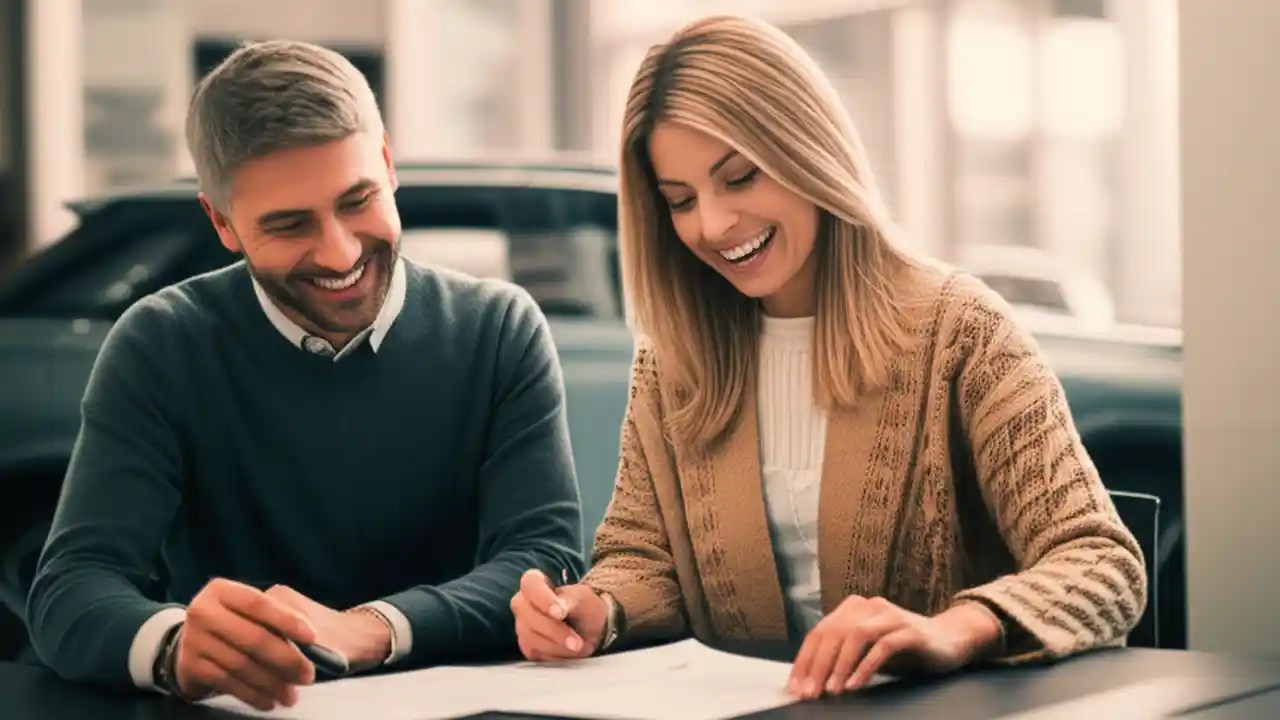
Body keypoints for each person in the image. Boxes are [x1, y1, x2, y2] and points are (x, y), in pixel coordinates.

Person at [509, 14, 1146, 701]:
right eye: (681, 201)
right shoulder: (671, 362)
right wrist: (593, 611)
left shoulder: (961, 331)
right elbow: (642, 559)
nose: (714, 224)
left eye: (741, 177)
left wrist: (959, 627)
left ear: (806, 149)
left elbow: (1103, 562)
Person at [26, 40, 584, 711]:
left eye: (357, 201)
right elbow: (72, 587)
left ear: (386, 162)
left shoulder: (498, 328)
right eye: (290, 225)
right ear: (223, 223)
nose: (339, 251)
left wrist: (368, 630)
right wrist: (177, 646)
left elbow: (543, 561)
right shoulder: (161, 342)